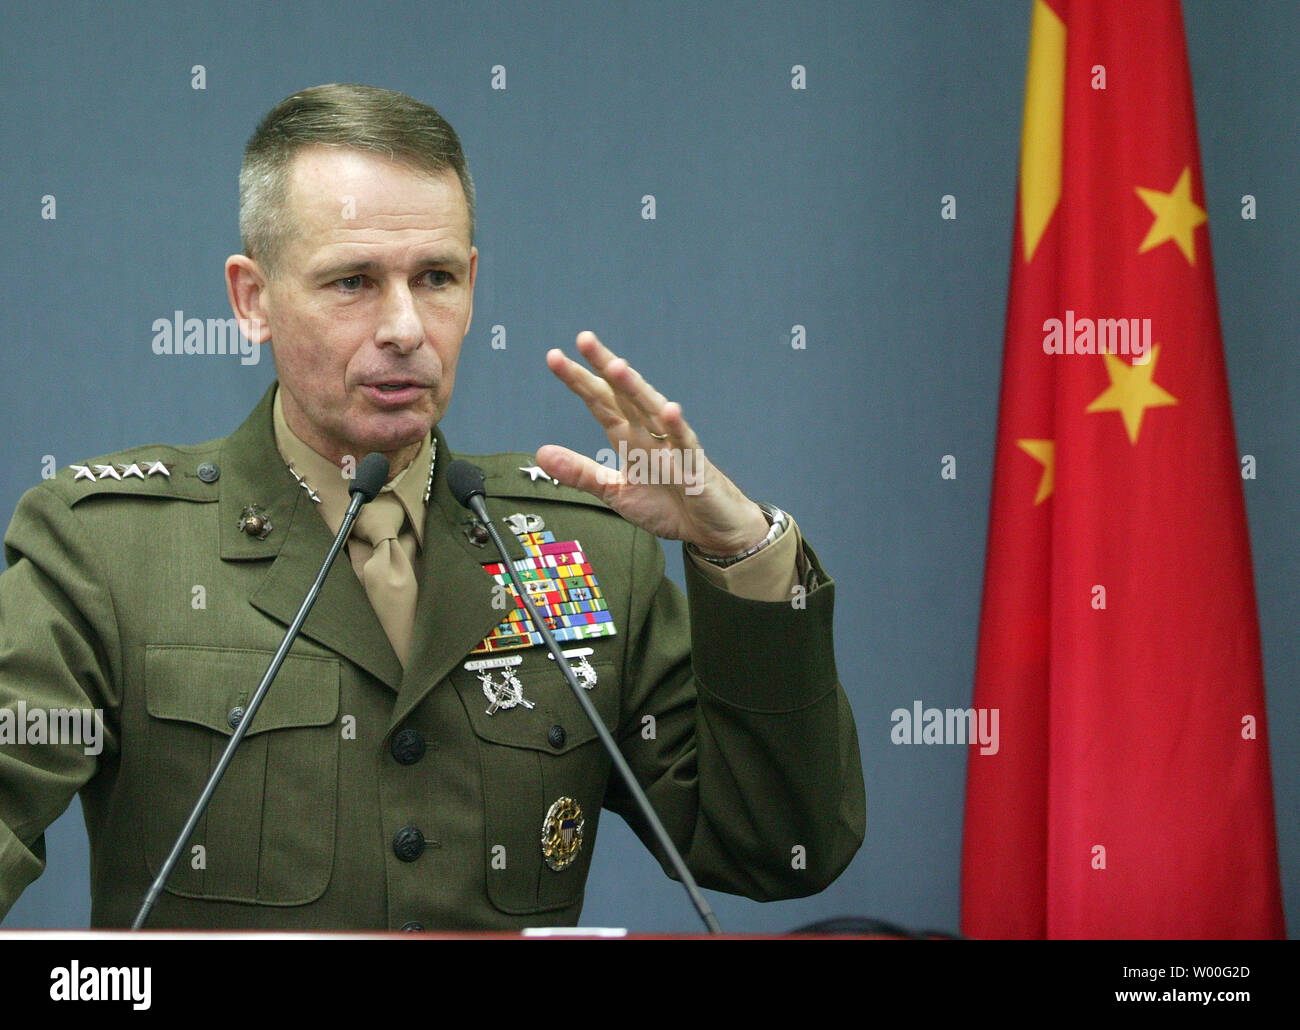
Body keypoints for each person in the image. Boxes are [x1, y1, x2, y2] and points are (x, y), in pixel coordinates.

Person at [0, 83, 864, 930]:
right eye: (353, 282)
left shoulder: (587, 553)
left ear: (473, 284)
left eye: (437, 276)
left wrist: (739, 549)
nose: (406, 327)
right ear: (252, 300)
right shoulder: (112, 553)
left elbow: (779, 848)